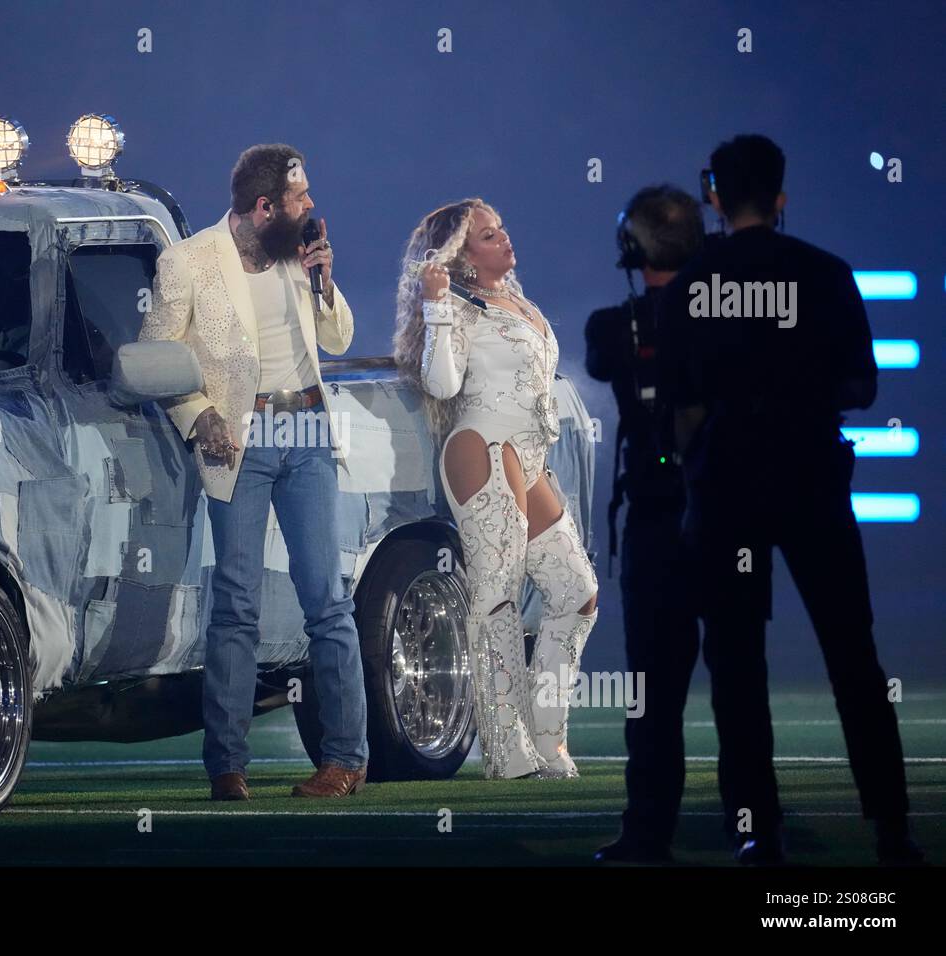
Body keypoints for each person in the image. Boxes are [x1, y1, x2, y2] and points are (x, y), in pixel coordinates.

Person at [657, 134, 924, 865]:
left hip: (728, 485)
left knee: (739, 668)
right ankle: (893, 830)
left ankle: (756, 831)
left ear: (715, 193)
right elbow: (863, 388)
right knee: (853, 659)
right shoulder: (825, 273)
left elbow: (678, 404)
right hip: (810, 480)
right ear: (780, 194)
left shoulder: (693, 283)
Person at [137, 143, 369, 800]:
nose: (311, 206)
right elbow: (157, 354)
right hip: (239, 437)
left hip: (308, 428)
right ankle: (227, 766)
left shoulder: (301, 252)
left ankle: (345, 760)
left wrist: (325, 282)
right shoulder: (189, 262)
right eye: (299, 198)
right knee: (236, 603)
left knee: (327, 597)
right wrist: (197, 412)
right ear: (263, 207)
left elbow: (342, 338)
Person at [394, 199, 599, 779]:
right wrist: (435, 307)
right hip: (481, 447)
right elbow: (441, 381)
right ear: (463, 256)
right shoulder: (457, 306)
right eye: (489, 235)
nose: (505, 239)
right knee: (498, 595)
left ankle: (546, 735)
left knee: (576, 591)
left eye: (502, 228)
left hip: (530, 456)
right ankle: (505, 751)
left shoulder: (517, 299)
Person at [588, 185, 705, 862]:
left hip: (659, 522)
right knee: (738, 682)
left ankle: (648, 832)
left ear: (630, 249)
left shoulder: (612, 327)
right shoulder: (726, 318)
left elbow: (609, 357)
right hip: (722, 515)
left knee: (650, 693)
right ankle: (759, 835)